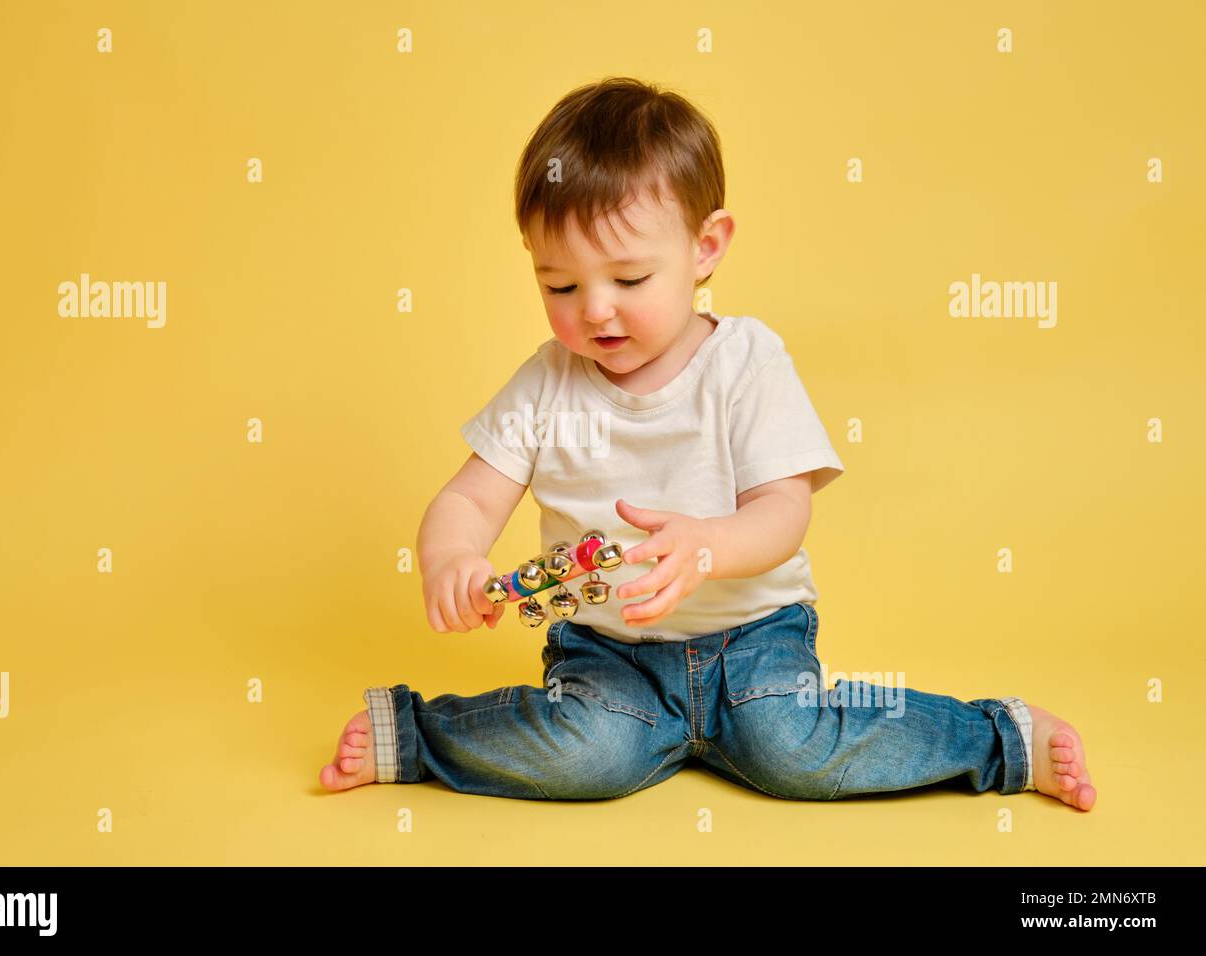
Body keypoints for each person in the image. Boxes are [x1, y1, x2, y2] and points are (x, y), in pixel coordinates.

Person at [319, 76, 1096, 811]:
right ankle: (416, 734)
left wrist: (709, 547)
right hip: (607, 655)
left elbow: (785, 510)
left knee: (791, 748)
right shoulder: (547, 383)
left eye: (628, 280)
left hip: (755, 642)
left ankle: (1000, 740)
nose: (595, 311)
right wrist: (451, 558)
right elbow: (469, 495)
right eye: (560, 285)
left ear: (706, 247)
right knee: (591, 756)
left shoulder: (746, 362)